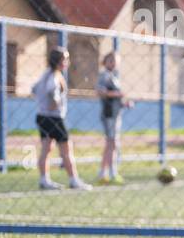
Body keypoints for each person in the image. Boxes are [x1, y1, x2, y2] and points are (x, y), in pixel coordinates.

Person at [32, 47, 92, 191]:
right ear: (59, 61)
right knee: (66, 150)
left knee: (46, 149)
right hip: (54, 118)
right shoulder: (53, 77)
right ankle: (74, 180)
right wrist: (55, 102)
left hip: (42, 116)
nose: (68, 62)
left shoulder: (46, 74)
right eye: (65, 59)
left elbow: (33, 89)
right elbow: (52, 96)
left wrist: (43, 104)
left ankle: (44, 180)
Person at [95, 51, 132, 184]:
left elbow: (117, 95)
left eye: (115, 61)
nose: (113, 63)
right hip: (108, 114)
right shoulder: (104, 75)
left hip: (116, 114)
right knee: (113, 143)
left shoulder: (115, 76)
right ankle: (112, 172)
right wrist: (117, 94)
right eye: (110, 60)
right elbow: (100, 91)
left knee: (110, 144)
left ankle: (102, 172)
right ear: (105, 62)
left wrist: (124, 102)